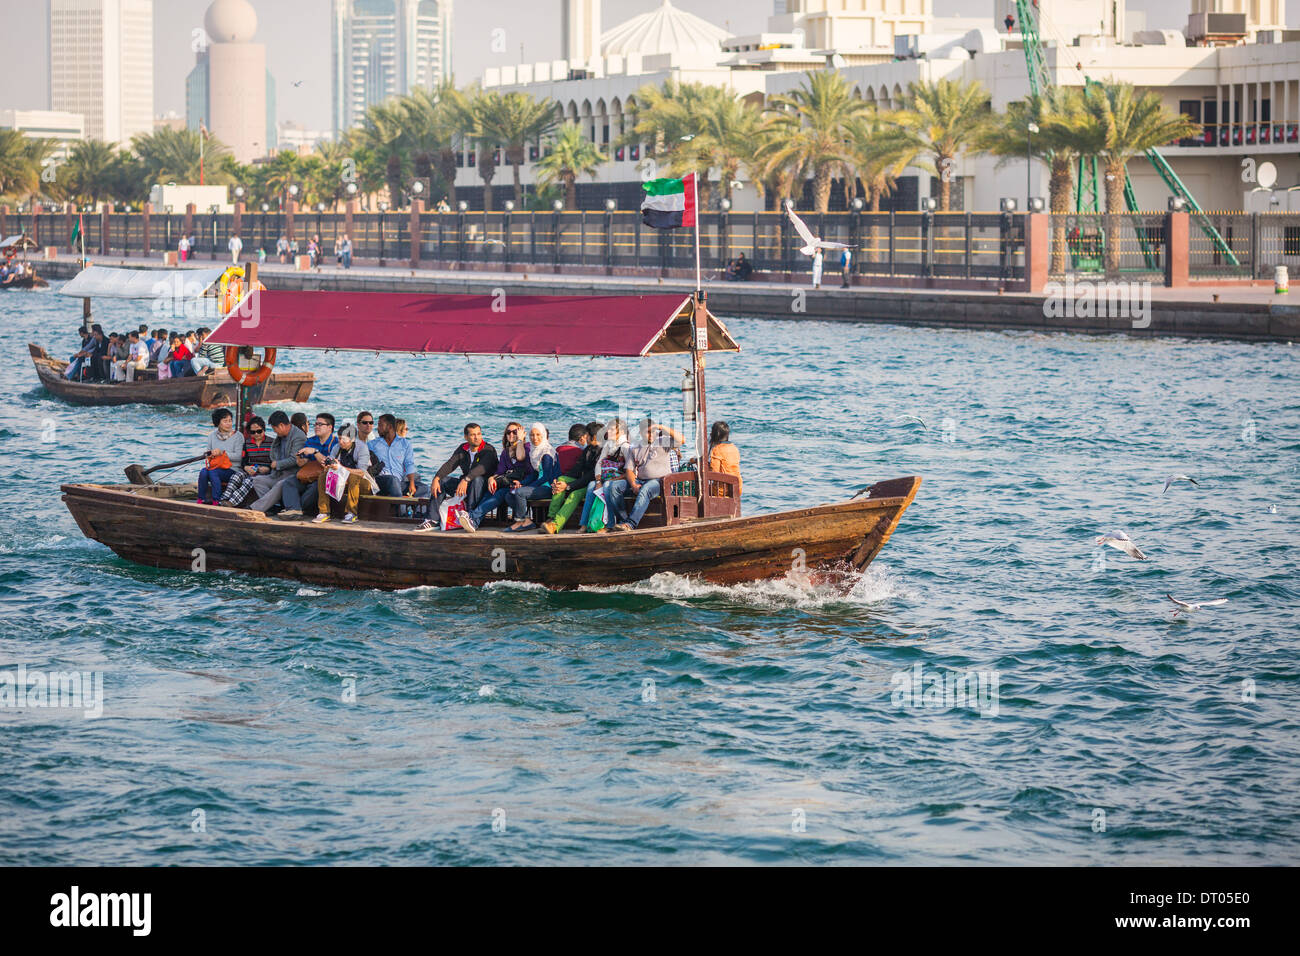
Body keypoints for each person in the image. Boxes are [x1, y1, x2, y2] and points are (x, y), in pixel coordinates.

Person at [605, 418, 686, 532]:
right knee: (615, 486)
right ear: (641, 432)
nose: (650, 435)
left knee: (646, 489)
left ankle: (630, 524)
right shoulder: (636, 447)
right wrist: (633, 485)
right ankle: (622, 520)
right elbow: (629, 470)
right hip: (640, 480)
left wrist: (661, 427)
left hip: (660, 482)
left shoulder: (663, 441)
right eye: (647, 432)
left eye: (652, 431)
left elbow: (682, 439)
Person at [458, 422, 533, 532]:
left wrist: (520, 440)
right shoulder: (505, 452)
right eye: (508, 432)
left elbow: (521, 458)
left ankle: (472, 517)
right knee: (490, 491)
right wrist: (491, 478)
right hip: (509, 483)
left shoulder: (526, 447)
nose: (511, 434)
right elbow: (500, 471)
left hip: (524, 483)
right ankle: (474, 522)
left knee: (500, 494)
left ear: (521, 433)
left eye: (515, 432)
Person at [427, 422, 499, 521]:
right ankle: (432, 520)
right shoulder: (463, 448)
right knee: (441, 482)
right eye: (473, 435)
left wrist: (466, 480)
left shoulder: (488, 450)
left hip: (483, 488)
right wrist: (436, 478)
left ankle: (471, 517)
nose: (477, 437)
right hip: (466, 487)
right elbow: (450, 464)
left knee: (477, 479)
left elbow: (482, 468)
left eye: (479, 434)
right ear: (466, 437)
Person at [542, 422, 603, 534]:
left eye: (586, 435)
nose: (585, 438)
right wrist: (560, 482)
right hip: (581, 481)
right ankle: (550, 518)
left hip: (593, 484)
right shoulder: (588, 449)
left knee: (574, 495)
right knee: (561, 480)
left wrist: (569, 486)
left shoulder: (602, 451)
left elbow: (591, 476)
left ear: (593, 437)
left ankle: (555, 526)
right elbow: (576, 469)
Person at [281, 412, 339, 518]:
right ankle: (295, 510)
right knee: (289, 482)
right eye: (315, 424)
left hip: (325, 477)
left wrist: (315, 451)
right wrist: (299, 459)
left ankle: (296, 510)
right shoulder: (311, 441)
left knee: (315, 488)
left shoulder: (336, 443)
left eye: (320, 424)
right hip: (309, 475)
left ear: (330, 427)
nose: (316, 426)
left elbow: (331, 464)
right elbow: (303, 463)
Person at [313, 423, 373, 524]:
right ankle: (324, 512)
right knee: (323, 476)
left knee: (354, 476)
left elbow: (361, 472)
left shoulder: (362, 448)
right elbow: (332, 463)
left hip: (364, 483)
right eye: (339, 438)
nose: (340, 442)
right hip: (343, 481)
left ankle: (351, 513)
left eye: (343, 439)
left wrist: (341, 468)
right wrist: (328, 465)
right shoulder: (337, 447)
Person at [579, 418, 631, 532]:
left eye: (612, 429)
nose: (608, 432)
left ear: (620, 432)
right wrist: (598, 481)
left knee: (607, 485)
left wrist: (616, 478)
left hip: (623, 480)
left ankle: (610, 524)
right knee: (591, 486)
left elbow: (631, 471)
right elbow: (599, 463)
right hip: (608, 477)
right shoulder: (608, 444)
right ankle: (584, 523)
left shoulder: (625, 447)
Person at [249, 410, 307, 512]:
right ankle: (273, 507)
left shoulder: (299, 436)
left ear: (281, 425)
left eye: (274, 428)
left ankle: (255, 508)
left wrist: (277, 464)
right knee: (257, 480)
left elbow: (294, 459)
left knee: (281, 484)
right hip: (278, 474)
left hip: (292, 475)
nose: (274, 431)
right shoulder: (281, 436)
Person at [369, 413, 423, 499]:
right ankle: (401, 511)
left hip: (399, 482)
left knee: (424, 489)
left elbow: (409, 464)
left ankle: (418, 512)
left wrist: (412, 483)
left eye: (380, 425)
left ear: (389, 427)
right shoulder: (372, 444)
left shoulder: (405, 444)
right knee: (392, 480)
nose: (377, 428)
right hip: (381, 481)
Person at [197, 408, 244, 505]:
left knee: (213, 472)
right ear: (218, 422)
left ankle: (216, 500)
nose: (229, 423)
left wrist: (222, 453)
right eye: (225, 421)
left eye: (230, 420)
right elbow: (208, 453)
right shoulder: (211, 436)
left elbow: (239, 457)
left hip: (233, 469)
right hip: (215, 466)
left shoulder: (238, 436)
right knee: (203, 472)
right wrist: (209, 454)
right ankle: (200, 499)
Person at [708, 421, 742, 496]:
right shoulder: (734, 448)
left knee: (699, 489)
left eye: (711, 432)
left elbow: (714, 473)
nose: (710, 434)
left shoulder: (717, 450)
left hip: (722, 491)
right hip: (737, 488)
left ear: (716, 435)